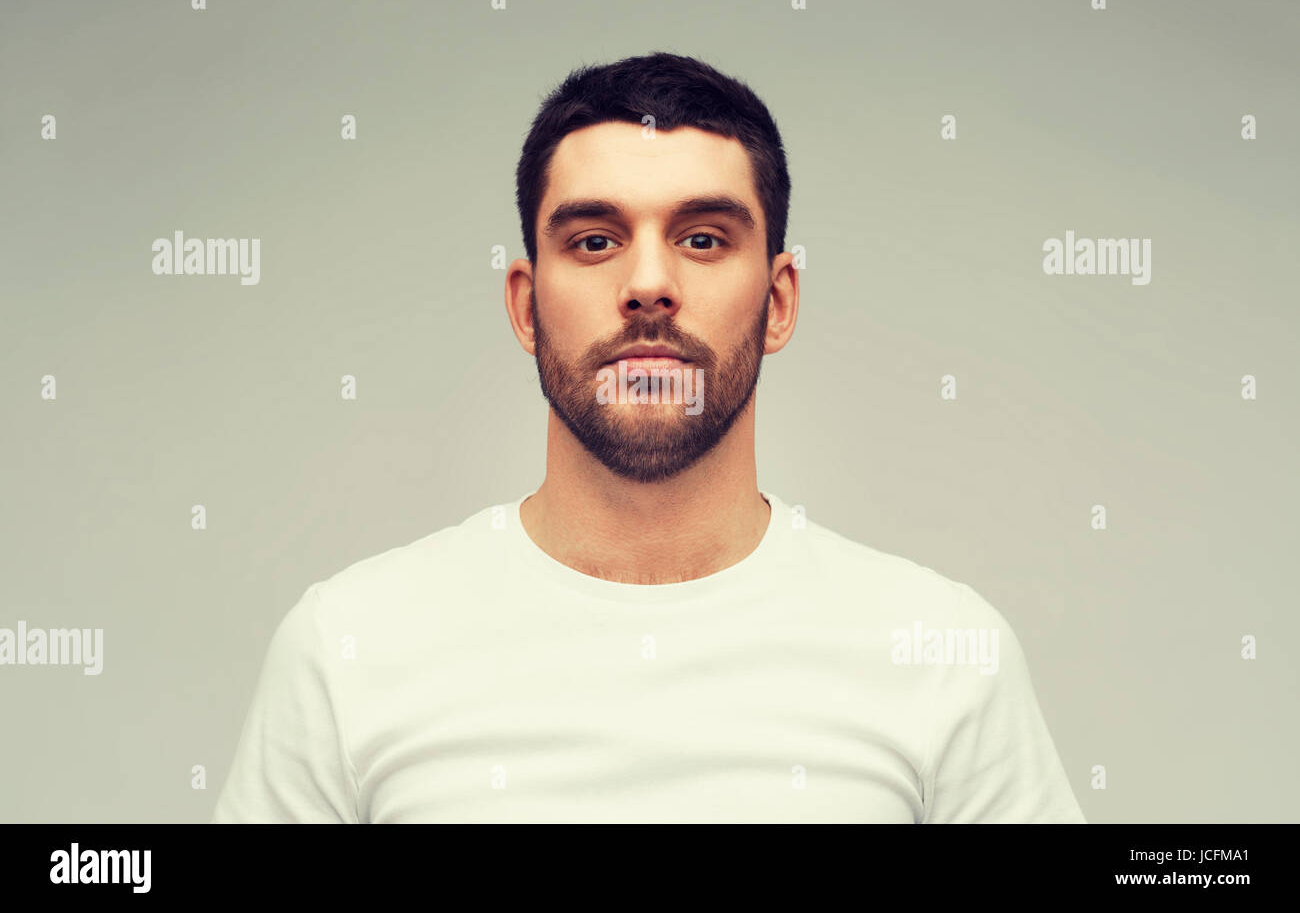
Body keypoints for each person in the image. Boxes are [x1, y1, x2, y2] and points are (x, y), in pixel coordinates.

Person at [212, 51, 1085, 823]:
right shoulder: (347, 648)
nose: (649, 284)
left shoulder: (941, 655)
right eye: (595, 241)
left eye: (703, 239)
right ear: (525, 304)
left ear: (778, 301)